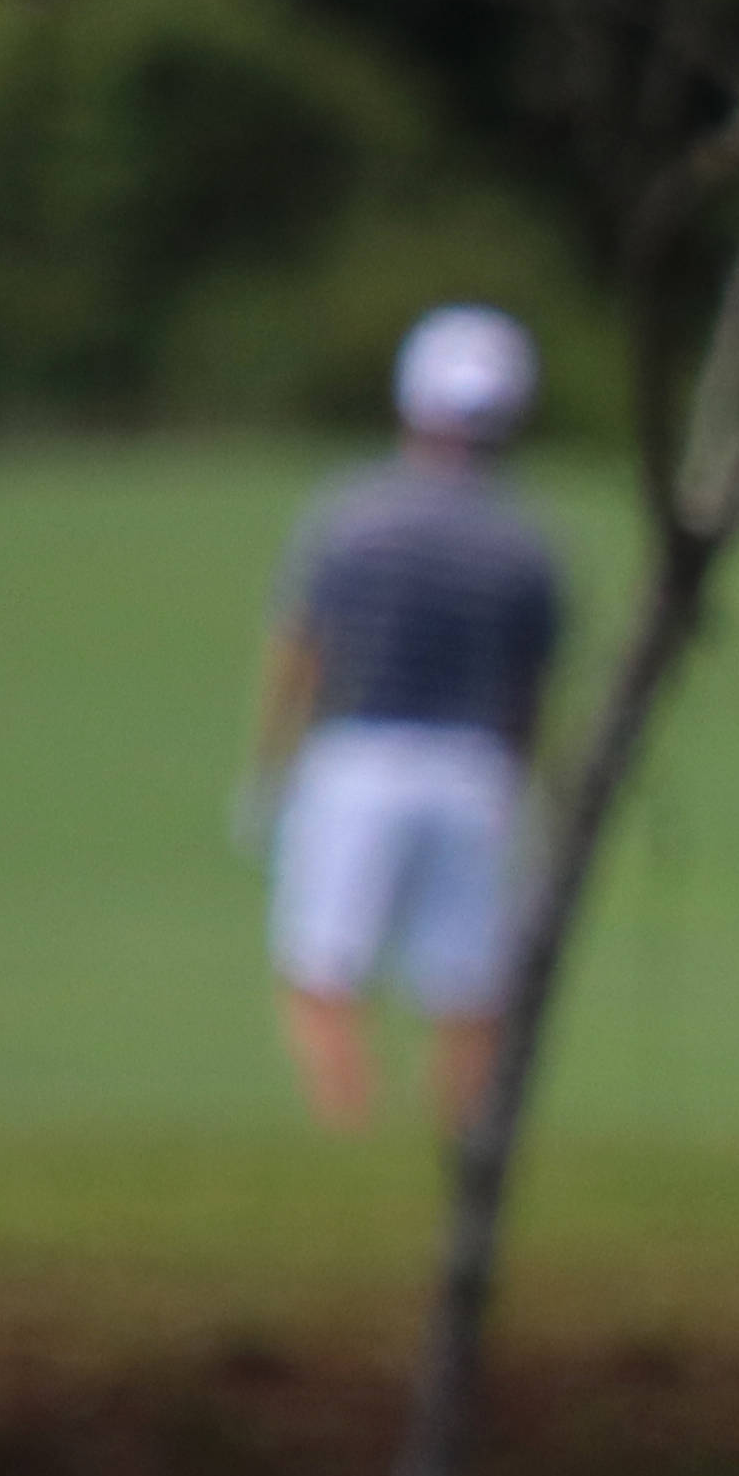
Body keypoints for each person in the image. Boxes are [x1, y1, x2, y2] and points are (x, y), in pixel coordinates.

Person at [251, 305, 566, 1138]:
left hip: (359, 760)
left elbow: (304, 653)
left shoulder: (354, 518)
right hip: (476, 773)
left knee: (321, 974)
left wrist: (268, 773)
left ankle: (346, 1135)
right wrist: (527, 794)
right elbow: (529, 692)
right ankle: (456, 1154)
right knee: (469, 993)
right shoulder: (525, 543)